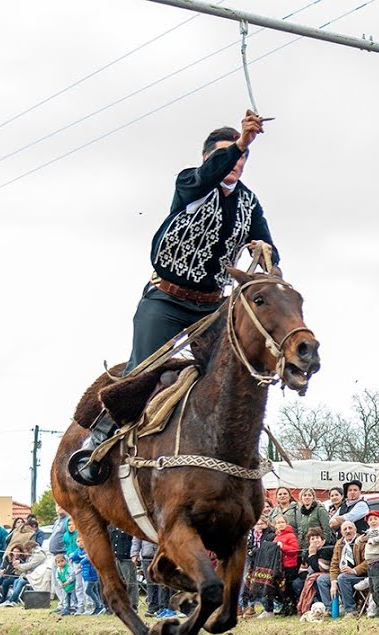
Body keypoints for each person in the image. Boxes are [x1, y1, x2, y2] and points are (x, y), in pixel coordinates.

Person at [68, 110, 277, 485]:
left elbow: (269, 246)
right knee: (142, 371)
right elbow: (210, 175)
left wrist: (265, 250)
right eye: (229, 155)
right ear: (207, 157)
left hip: (212, 306)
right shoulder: (190, 184)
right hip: (166, 299)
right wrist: (242, 142)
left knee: (231, 373)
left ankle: (228, 451)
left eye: (242, 157)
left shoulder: (249, 202)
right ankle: (97, 440)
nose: (237, 163)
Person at [316, 521, 368, 617]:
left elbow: (368, 562)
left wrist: (353, 570)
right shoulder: (339, 543)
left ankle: (351, 611)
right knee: (321, 579)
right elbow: (334, 564)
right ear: (341, 532)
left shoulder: (362, 541)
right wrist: (333, 581)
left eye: (350, 528)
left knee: (342, 578)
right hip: (342, 575)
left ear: (355, 530)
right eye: (345, 529)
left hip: (360, 576)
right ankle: (330, 609)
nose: (348, 531)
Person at [131, 536, 169, 619]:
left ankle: (162, 607)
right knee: (150, 584)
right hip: (146, 557)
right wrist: (134, 554)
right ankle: (152, 607)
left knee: (161, 583)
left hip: (160, 557)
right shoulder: (142, 525)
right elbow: (137, 539)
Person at [271, 514, 301, 616]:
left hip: (290, 566)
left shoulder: (291, 535)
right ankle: (285, 605)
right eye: (278, 523)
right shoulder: (276, 537)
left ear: (287, 523)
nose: (280, 524)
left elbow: (295, 550)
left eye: (282, 522)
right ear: (275, 525)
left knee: (289, 586)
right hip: (280, 566)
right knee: (281, 587)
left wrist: (283, 546)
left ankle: (292, 606)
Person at [291, 489, 332, 554]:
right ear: (301, 498)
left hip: (319, 545)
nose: (307, 497)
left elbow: (327, 528)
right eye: (304, 495)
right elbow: (301, 531)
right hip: (306, 546)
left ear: (313, 498)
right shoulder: (301, 513)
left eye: (309, 495)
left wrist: (324, 543)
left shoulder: (320, 510)